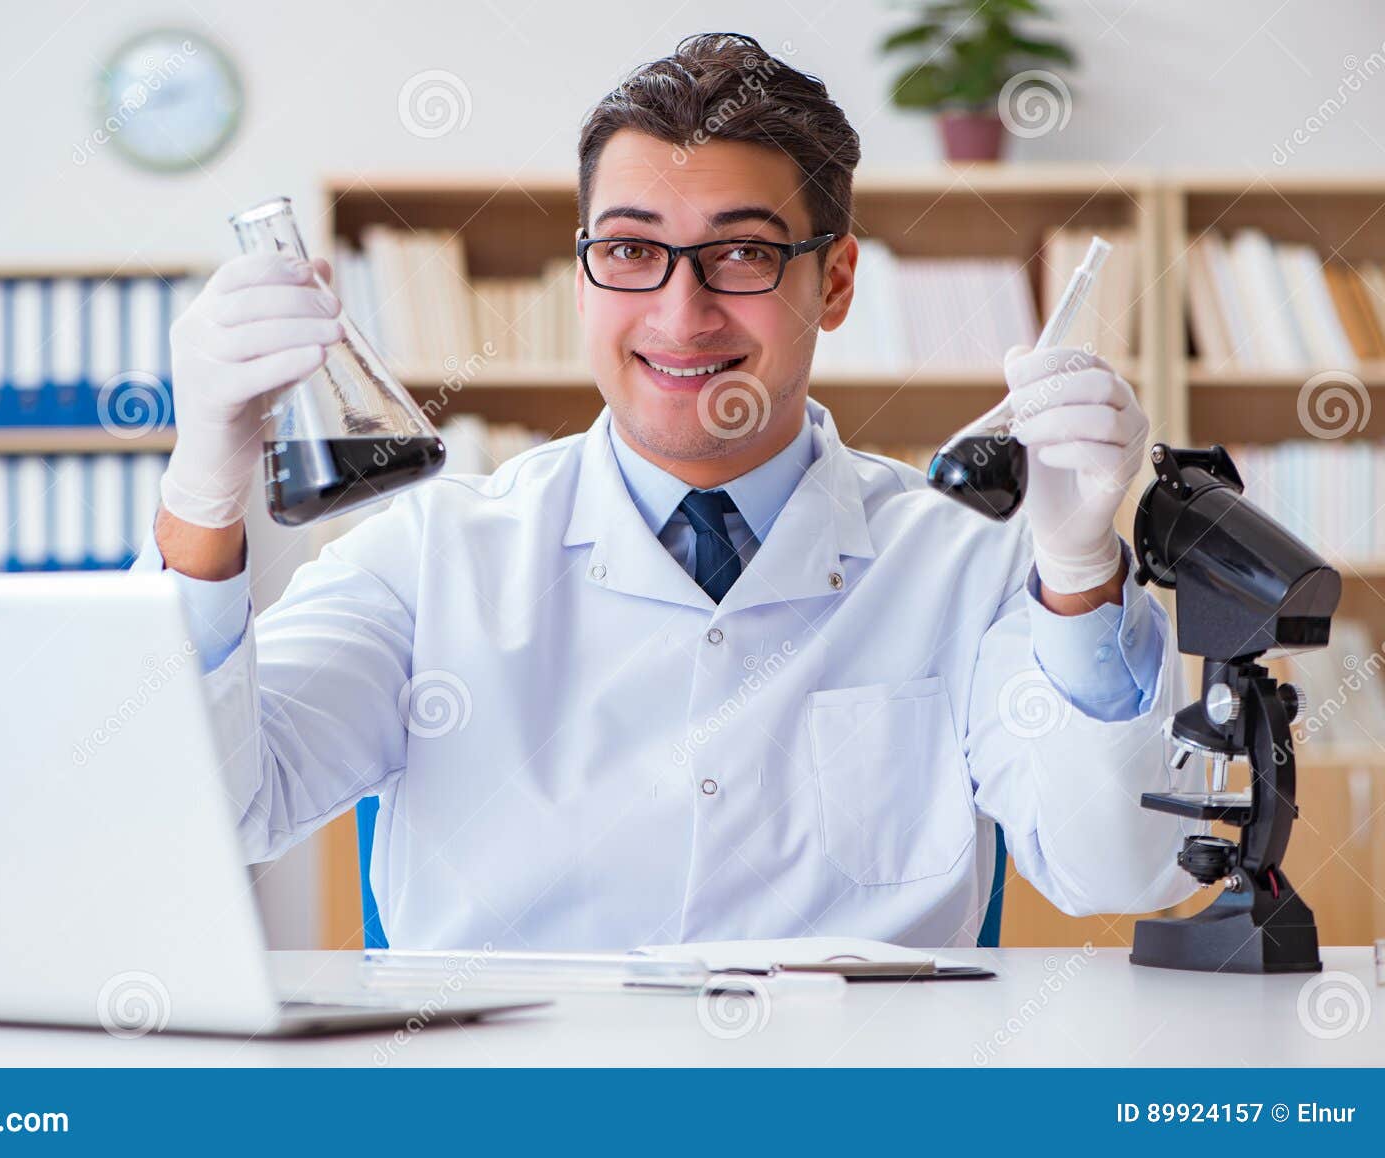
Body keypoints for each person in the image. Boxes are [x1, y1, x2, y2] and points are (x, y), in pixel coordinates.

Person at [134, 32, 1196, 950]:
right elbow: (206, 818)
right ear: (586, 267)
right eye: (632, 250)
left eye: (739, 253)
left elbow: (1120, 874)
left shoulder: (964, 558)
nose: (680, 316)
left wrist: (1076, 572)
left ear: (832, 284)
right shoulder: (429, 554)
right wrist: (204, 489)